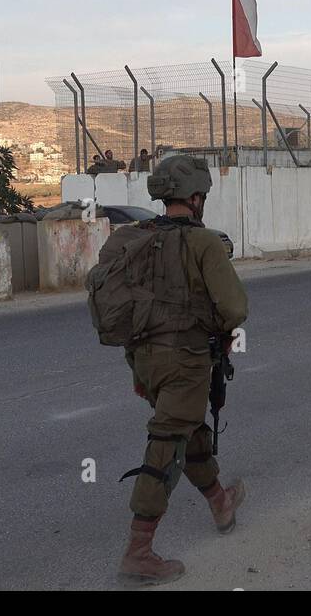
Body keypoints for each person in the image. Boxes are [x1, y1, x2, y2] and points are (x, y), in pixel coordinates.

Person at [101, 155, 248, 583]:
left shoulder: (134, 238)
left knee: (188, 428)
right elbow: (234, 308)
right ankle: (139, 550)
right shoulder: (202, 243)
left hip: (143, 360)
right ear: (196, 197)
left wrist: (138, 369)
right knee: (166, 443)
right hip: (185, 361)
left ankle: (220, 501)